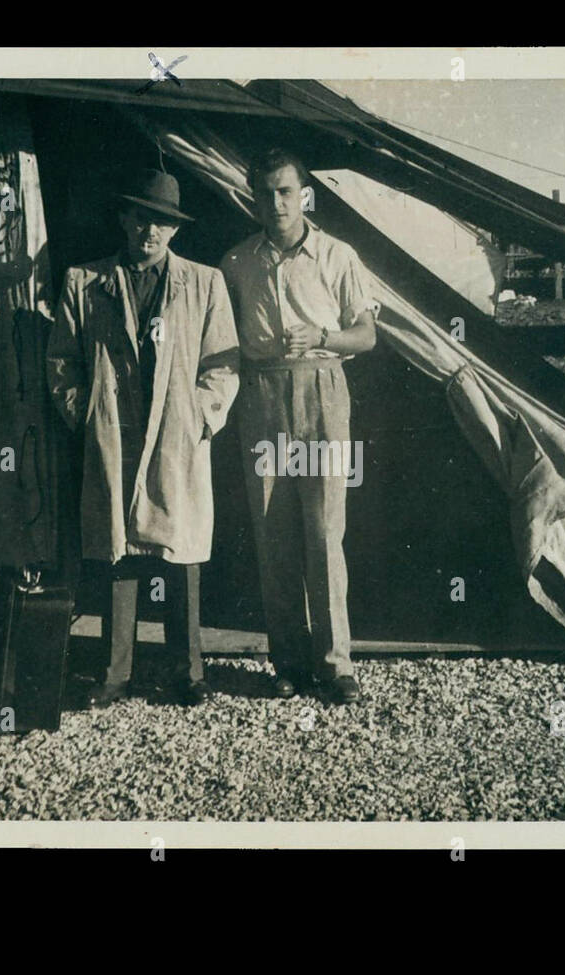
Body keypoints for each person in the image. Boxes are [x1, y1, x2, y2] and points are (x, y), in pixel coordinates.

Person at [48, 168, 240, 706]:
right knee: (120, 550)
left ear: (174, 229)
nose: (148, 231)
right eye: (139, 218)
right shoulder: (85, 282)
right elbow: (61, 361)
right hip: (114, 433)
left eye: (160, 222)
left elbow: (223, 364)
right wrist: (84, 413)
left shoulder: (205, 284)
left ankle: (188, 671)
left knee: (181, 554)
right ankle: (115, 673)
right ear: (123, 218)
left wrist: (201, 417)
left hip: (176, 435)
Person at [221, 149, 378, 704]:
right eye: (265, 193)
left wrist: (322, 338)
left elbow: (367, 336)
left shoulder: (338, 255)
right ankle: (288, 661)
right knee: (274, 530)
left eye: (285, 191)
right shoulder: (236, 265)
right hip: (262, 396)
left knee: (323, 530)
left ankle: (337, 665)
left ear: (304, 194)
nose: (276, 202)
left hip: (323, 394)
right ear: (252, 197)